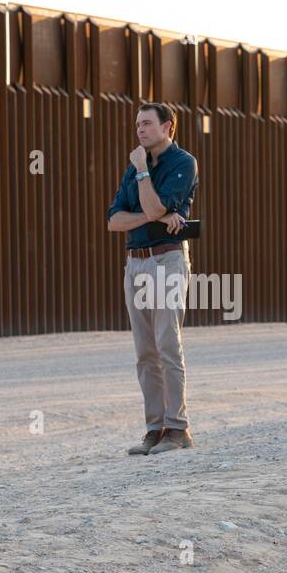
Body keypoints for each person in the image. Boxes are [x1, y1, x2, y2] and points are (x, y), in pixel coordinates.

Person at [105, 103, 199, 455]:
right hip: (136, 265)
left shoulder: (182, 163)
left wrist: (144, 173)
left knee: (167, 344)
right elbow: (113, 221)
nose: (139, 130)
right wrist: (151, 215)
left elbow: (157, 209)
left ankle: (178, 429)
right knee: (145, 352)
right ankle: (154, 429)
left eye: (146, 124)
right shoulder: (133, 168)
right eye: (137, 125)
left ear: (167, 127)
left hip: (167, 260)